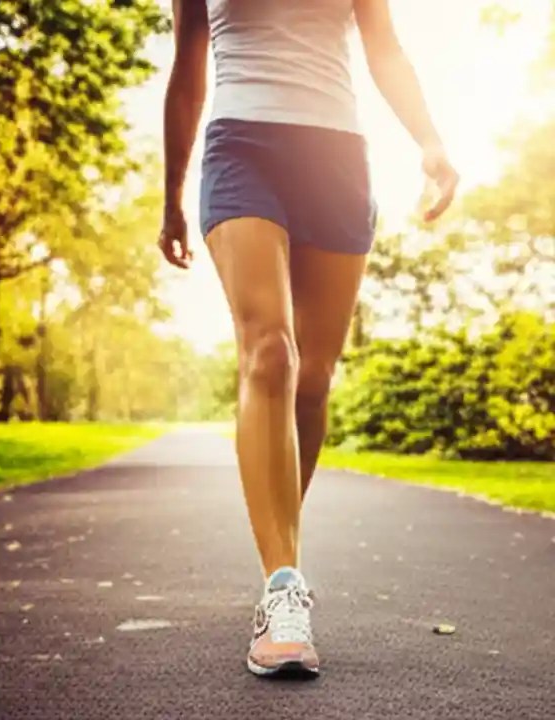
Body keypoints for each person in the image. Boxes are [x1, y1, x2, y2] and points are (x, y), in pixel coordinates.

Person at [158, 0, 458, 678]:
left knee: (314, 379)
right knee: (270, 352)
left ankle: (278, 558)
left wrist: (430, 141)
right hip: (241, 145)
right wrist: (172, 194)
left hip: (337, 152)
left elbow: (384, 45)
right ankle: (284, 587)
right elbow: (188, 67)